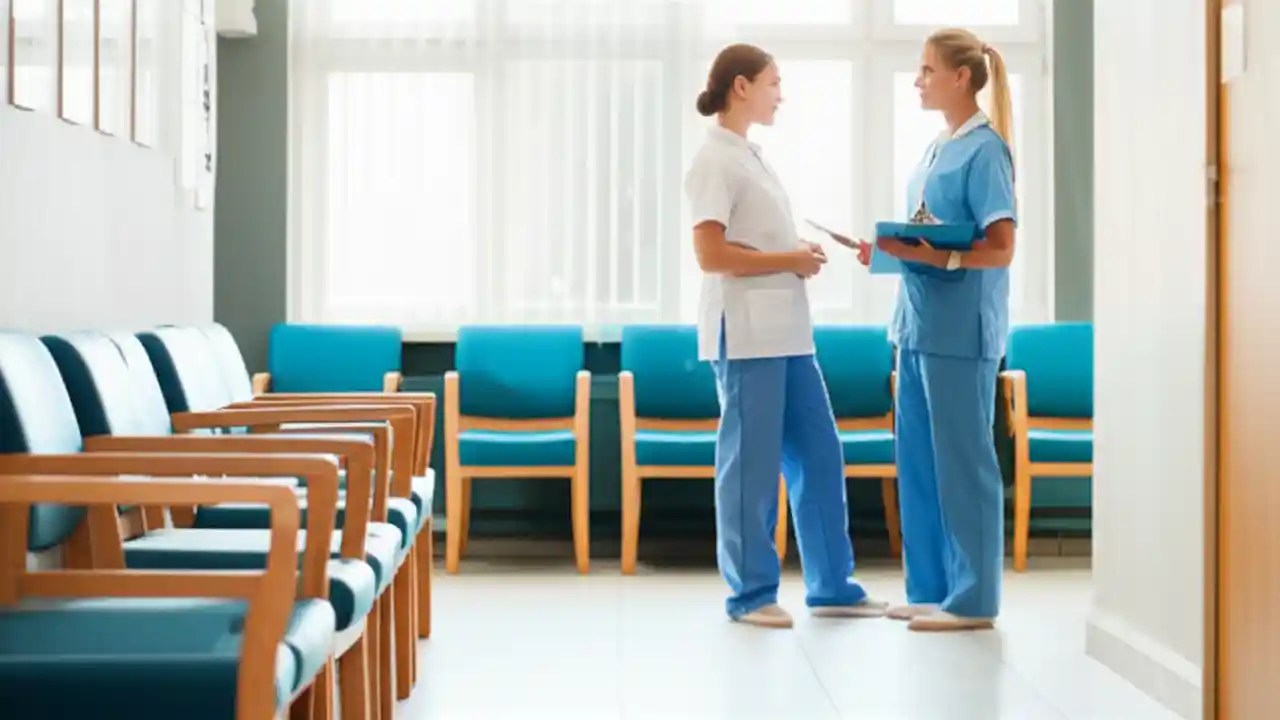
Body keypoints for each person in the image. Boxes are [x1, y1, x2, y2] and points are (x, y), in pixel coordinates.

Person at [683, 43, 886, 629]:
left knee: (819, 454)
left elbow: (755, 241)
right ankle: (750, 594)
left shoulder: (751, 157)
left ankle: (831, 584)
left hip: (789, 334)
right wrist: (788, 259)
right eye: (775, 82)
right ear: (741, 86)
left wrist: (795, 253)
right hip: (745, 334)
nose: (781, 94)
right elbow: (710, 253)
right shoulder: (713, 160)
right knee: (750, 467)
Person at [839, 28, 1017, 632]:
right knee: (918, 460)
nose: (917, 81)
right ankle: (931, 586)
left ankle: (973, 600)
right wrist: (886, 252)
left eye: (926, 71)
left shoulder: (986, 150)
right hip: (915, 328)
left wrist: (942, 258)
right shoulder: (936, 149)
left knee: (965, 463)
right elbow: (928, 233)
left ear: (961, 77)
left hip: (960, 333)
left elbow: (1000, 247)